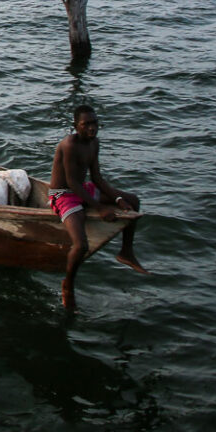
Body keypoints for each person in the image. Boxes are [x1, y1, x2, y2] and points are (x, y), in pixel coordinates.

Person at [49, 105, 147, 311]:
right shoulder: (69, 144)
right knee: (81, 245)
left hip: (83, 188)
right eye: (86, 125)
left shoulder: (94, 143)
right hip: (63, 194)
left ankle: (126, 252)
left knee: (134, 201)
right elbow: (72, 183)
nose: (92, 128)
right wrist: (100, 208)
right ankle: (68, 286)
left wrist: (118, 199)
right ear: (76, 126)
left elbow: (97, 178)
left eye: (95, 123)